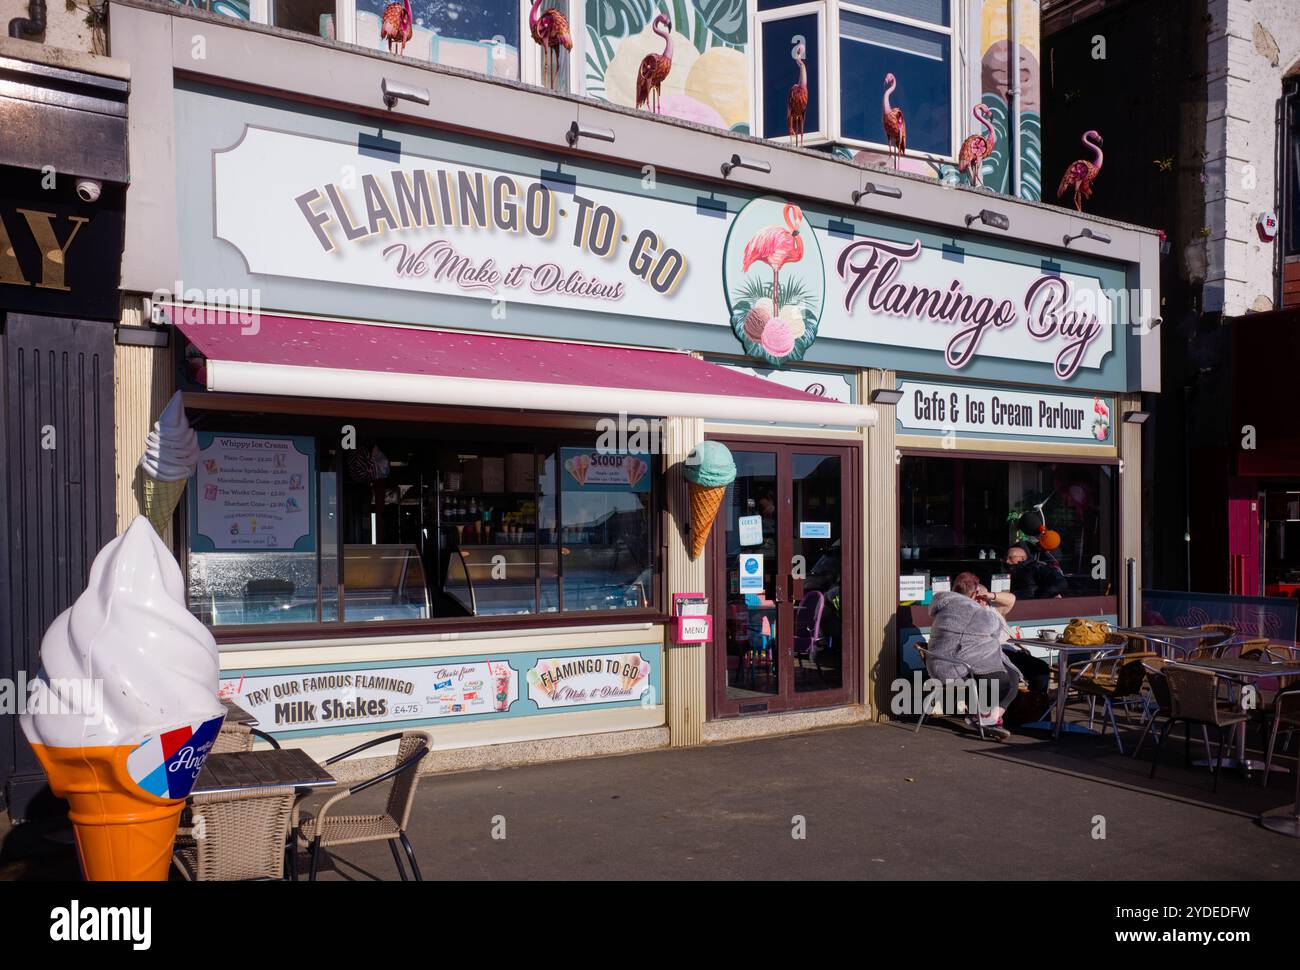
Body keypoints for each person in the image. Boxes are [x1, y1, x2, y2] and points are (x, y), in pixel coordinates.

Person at [924, 572, 1019, 740]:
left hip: (938, 663)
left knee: (1005, 674)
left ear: (953, 589)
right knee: (1008, 680)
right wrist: (983, 609)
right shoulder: (974, 611)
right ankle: (985, 716)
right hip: (956, 667)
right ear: (975, 594)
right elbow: (995, 632)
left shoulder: (944, 605)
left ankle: (988, 717)